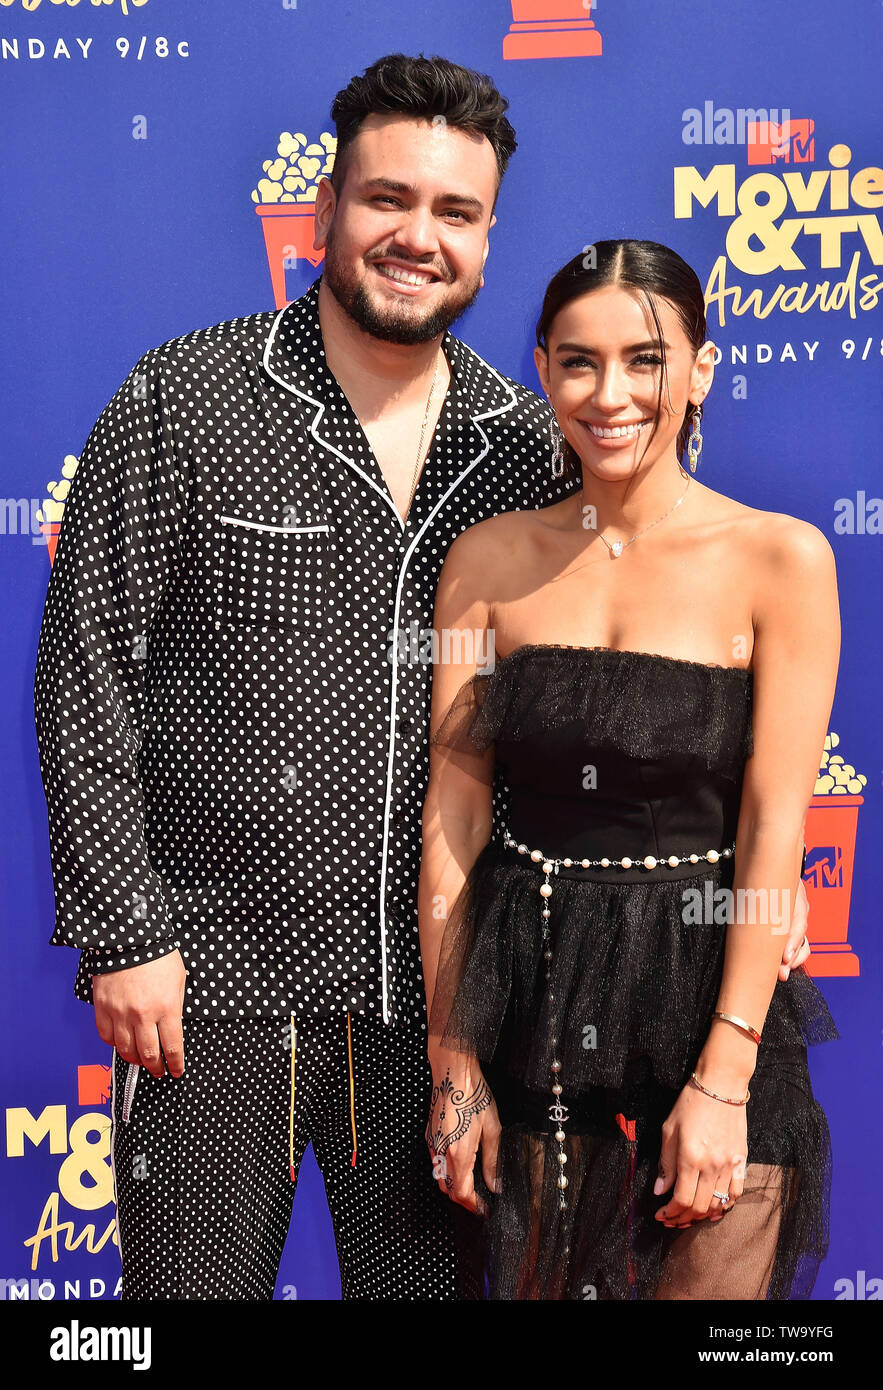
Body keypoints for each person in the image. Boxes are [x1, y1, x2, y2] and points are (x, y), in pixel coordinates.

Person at [32, 50, 811, 1301]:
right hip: (211, 995)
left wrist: (751, 901)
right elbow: (88, 672)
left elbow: (584, 703)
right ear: (329, 206)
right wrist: (124, 930)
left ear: (489, 240)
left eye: (454, 213)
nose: (417, 237)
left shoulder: (520, 442)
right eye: (388, 200)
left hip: (441, 1014)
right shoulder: (185, 399)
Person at [419, 239, 839, 1300]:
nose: (610, 395)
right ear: (542, 369)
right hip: (529, 1012)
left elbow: (775, 829)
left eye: (645, 360)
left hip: (709, 1003)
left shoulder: (780, 561)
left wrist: (725, 1077)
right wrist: (453, 1061)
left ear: (701, 369)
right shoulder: (480, 563)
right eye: (577, 362)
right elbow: (454, 817)